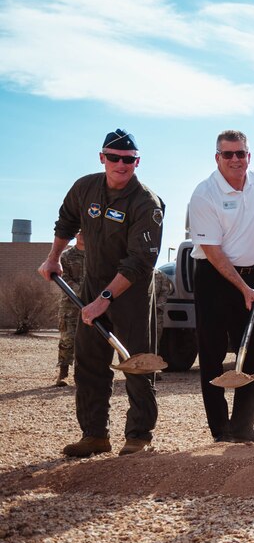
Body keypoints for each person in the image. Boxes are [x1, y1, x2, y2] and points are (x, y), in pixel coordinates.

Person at [38, 129, 164, 457]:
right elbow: (65, 222)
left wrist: (102, 301)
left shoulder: (146, 203)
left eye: (129, 160)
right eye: (114, 158)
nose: (121, 165)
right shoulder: (85, 188)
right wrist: (53, 258)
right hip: (92, 286)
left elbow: (139, 262)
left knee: (136, 362)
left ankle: (138, 436)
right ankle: (94, 435)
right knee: (90, 363)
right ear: (102, 157)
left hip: (131, 295)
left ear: (137, 162)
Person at [186, 129, 254, 443]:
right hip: (213, 277)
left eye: (241, 153)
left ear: (248, 155)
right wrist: (243, 288)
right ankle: (221, 430)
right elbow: (212, 251)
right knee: (212, 354)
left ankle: (243, 427)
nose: (236, 159)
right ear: (218, 158)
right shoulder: (204, 194)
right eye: (228, 154)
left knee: (251, 353)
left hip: (252, 277)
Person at [55, 232, 86, 387]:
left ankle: (84, 375)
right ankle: (63, 374)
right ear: (75, 235)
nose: (83, 236)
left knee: (88, 341)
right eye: (80, 233)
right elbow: (63, 279)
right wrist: (83, 292)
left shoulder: (95, 257)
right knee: (67, 339)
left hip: (91, 306)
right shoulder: (66, 256)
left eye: (86, 233)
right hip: (70, 304)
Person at [153, 267, 174, 351]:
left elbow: (165, 292)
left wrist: (158, 308)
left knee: (154, 341)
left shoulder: (160, 275)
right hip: (137, 314)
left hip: (156, 315)